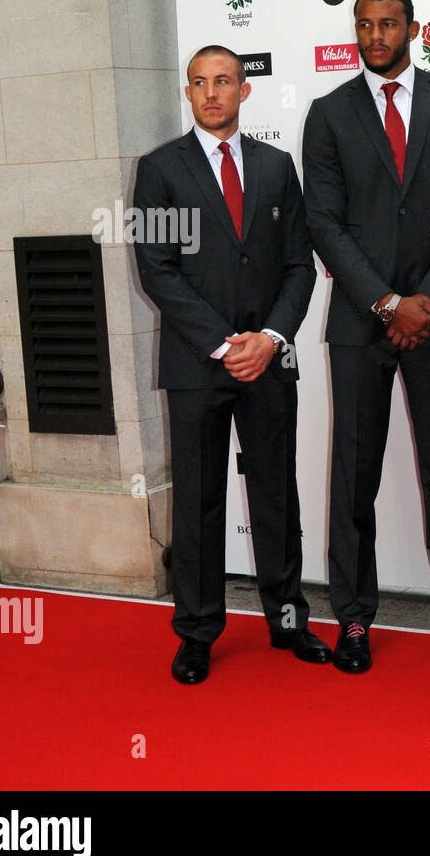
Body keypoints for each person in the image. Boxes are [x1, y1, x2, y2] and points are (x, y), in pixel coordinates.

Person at [302, 0, 430, 673]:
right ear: (355, 31)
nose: (376, 35)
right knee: (354, 474)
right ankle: (353, 618)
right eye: (365, 25)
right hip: (363, 325)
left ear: (414, 28)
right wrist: (388, 303)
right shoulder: (328, 115)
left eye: (389, 23)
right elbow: (324, 223)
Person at [134, 45, 329, 684]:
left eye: (224, 82)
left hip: (268, 361)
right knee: (197, 502)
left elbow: (300, 263)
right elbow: (156, 270)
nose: (211, 93)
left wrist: (269, 337)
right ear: (187, 92)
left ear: (245, 91)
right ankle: (196, 633)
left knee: (276, 493)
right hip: (197, 366)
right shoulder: (159, 169)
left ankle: (288, 620)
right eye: (200, 83)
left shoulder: (276, 168)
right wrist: (225, 343)